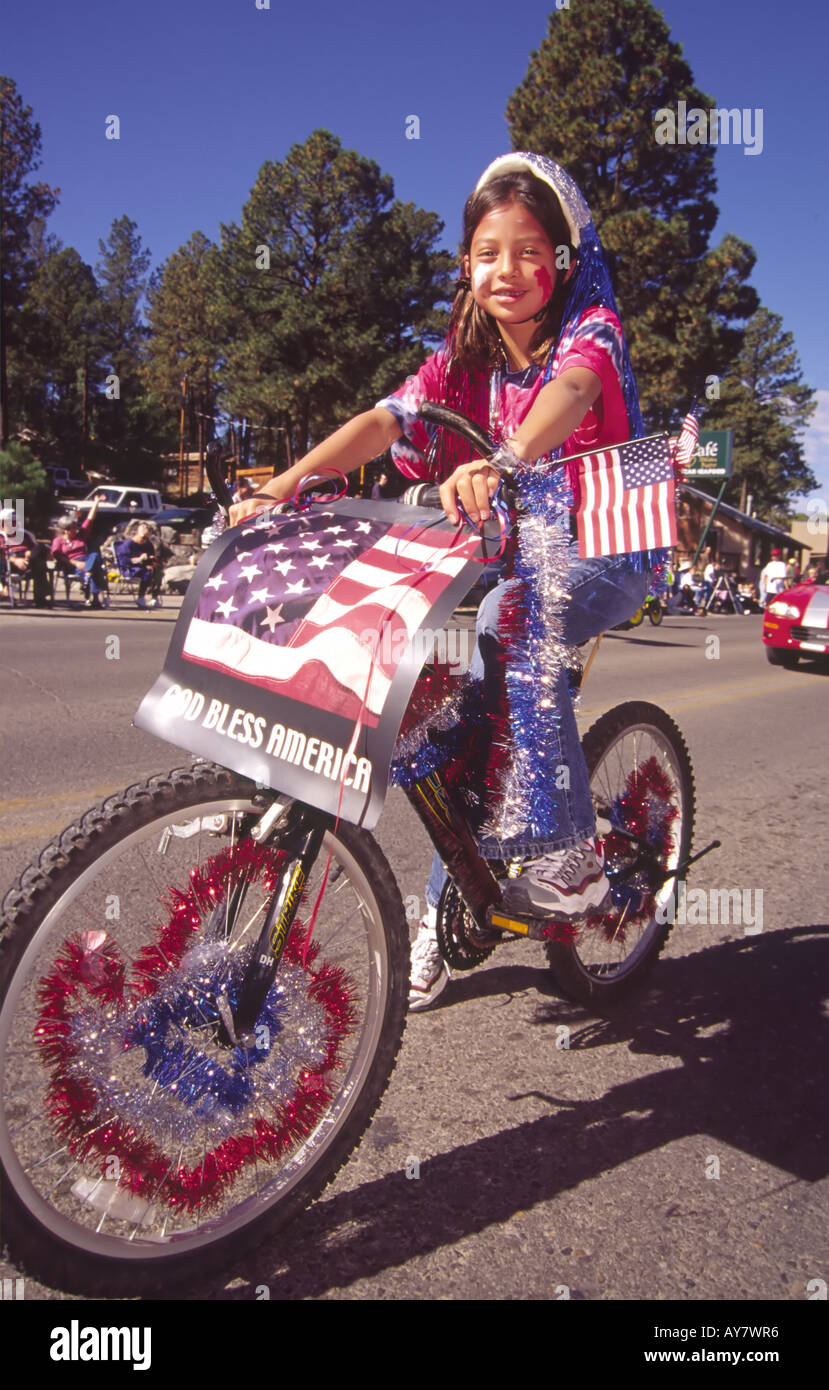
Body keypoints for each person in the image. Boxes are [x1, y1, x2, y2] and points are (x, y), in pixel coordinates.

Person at [230, 152, 657, 1009]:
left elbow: (572, 393)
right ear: (466, 263)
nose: (507, 270)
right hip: (506, 549)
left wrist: (502, 460)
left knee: (511, 620)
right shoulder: (461, 353)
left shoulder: (592, 330)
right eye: (487, 251)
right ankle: (448, 910)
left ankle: (570, 851)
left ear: (563, 262)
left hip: (605, 549)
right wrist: (285, 484)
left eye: (530, 250)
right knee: (446, 725)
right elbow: (384, 420)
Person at [50, 495, 107, 607]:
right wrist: (75, 563)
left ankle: (88, 576)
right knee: (96, 568)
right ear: (65, 530)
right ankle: (95, 599)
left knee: (95, 555)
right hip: (71, 565)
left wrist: (96, 502)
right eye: (73, 528)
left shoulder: (80, 535)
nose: (76, 530)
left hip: (86, 562)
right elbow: (57, 555)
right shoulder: (58, 540)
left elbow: (90, 519)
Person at [0, 509, 51, 605]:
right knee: (40, 566)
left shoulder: (26, 534)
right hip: (9, 563)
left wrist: (29, 553)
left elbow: (36, 549)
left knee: (41, 549)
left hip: (29, 562)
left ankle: (40, 597)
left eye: (15, 522)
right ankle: (41, 596)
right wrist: (15, 560)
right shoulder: (1, 536)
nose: (14, 524)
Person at [127, 522, 164, 609]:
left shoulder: (147, 544)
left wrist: (151, 558)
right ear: (137, 533)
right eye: (143, 537)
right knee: (147, 571)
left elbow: (151, 556)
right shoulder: (129, 544)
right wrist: (139, 559)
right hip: (132, 568)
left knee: (157, 569)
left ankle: (154, 596)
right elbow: (125, 560)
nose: (145, 540)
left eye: (147, 538)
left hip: (145, 565)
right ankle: (141, 596)